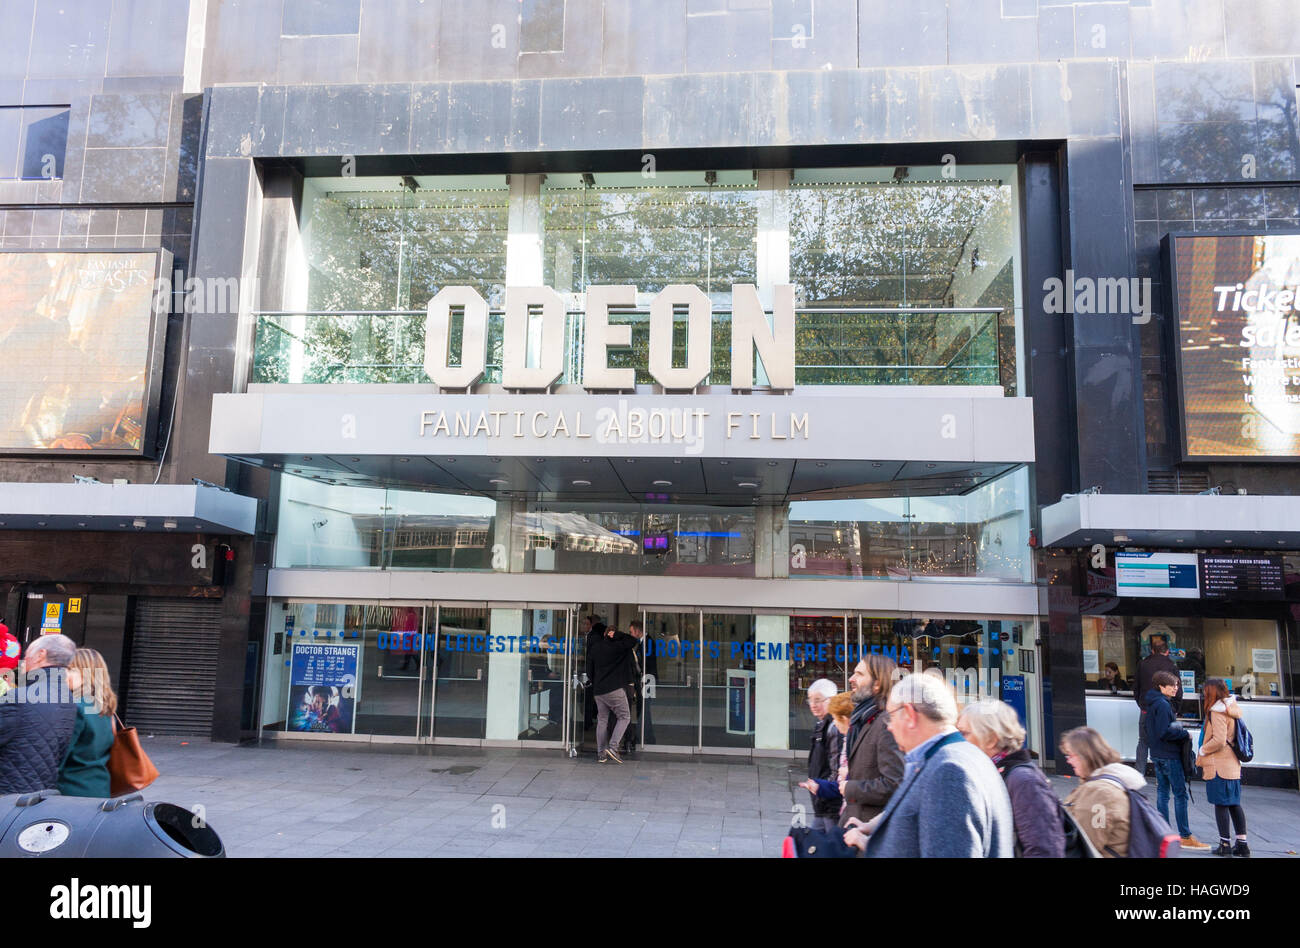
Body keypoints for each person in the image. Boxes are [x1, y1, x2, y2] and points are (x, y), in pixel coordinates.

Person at [851, 672, 1014, 858]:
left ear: (910, 714)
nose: (889, 726)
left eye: (890, 716)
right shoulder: (964, 757)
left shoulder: (948, 770)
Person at [958, 699, 1065, 858]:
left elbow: (1045, 849)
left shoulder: (1023, 781)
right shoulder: (992, 773)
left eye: (964, 733)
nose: (958, 741)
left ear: (992, 739)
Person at [0, 633, 78, 795]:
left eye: (27, 655)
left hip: (8, 795)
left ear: (41, 655)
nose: (24, 660)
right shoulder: (68, 699)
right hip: (40, 795)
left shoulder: (19, 697)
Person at [1145, 670, 1210, 850]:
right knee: (1180, 795)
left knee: (1163, 793)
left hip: (1157, 753)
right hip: (1169, 756)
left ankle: (1164, 833)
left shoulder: (1153, 702)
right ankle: (1185, 836)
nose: (1175, 688)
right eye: (1172, 685)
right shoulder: (1163, 704)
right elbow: (1164, 731)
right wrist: (1184, 734)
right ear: (1161, 686)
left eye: (1176, 685)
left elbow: (1155, 729)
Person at [838, 655, 905, 828]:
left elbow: (894, 784)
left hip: (870, 829)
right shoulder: (862, 719)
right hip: (853, 822)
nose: (851, 679)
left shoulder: (886, 724)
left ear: (877, 684)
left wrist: (851, 788)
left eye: (859, 674)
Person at [1060, 726, 1147, 857]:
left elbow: (1086, 844)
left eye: (1071, 755)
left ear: (1086, 756)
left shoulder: (1099, 793)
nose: (1068, 760)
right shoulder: (1109, 782)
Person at [1196, 678, 1249, 857]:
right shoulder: (1231, 708)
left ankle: (1224, 845)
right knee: (1234, 804)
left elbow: (1219, 740)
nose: (1203, 694)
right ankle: (1242, 845)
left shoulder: (1217, 711)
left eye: (1205, 691)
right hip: (1232, 764)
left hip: (1219, 765)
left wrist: (1203, 749)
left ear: (1211, 692)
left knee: (1221, 805)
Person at [57, 647, 117, 798]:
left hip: (70, 792)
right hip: (100, 788)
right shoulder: (106, 708)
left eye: (70, 669)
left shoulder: (76, 708)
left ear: (86, 674)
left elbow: (59, 757)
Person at [586, 622, 640, 763]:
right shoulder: (619, 646)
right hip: (615, 688)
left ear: (604, 634)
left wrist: (595, 682)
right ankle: (613, 747)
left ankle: (601, 754)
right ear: (614, 634)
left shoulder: (595, 647)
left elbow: (589, 670)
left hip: (598, 690)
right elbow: (633, 640)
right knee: (624, 717)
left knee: (602, 720)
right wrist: (618, 635)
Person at [796, 683, 844, 832]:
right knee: (816, 841)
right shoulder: (822, 724)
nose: (813, 705)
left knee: (827, 841)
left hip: (830, 803)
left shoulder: (834, 728)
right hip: (822, 802)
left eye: (818, 700)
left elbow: (836, 770)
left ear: (832, 700)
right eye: (810, 700)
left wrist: (823, 790)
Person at [1133, 635, 1179, 775]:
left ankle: (1139, 774)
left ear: (1152, 651)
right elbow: (1178, 690)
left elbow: (1136, 688)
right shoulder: (1172, 665)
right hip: (1166, 709)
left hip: (1146, 709)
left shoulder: (1142, 664)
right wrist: (1175, 709)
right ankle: (1163, 776)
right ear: (1167, 652)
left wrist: (1142, 705)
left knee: (1143, 741)